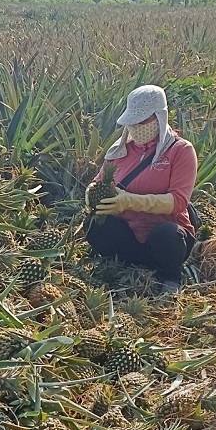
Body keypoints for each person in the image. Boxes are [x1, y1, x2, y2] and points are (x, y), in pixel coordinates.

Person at [85, 84, 198, 293]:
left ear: (159, 117)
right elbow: (100, 180)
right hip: (129, 232)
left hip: (164, 235)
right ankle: (127, 264)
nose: (136, 126)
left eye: (142, 120)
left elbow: (178, 201)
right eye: (132, 122)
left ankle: (171, 277)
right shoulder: (120, 150)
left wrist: (129, 201)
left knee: (167, 235)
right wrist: (92, 192)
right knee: (94, 225)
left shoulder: (180, 151)